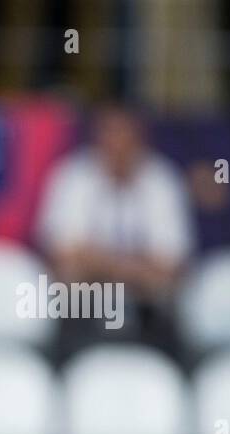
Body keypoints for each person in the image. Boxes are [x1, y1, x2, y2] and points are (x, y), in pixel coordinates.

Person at [35, 102, 195, 356]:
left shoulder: (162, 179)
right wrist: (136, 268)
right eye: (110, 134)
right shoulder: (73, 175)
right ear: (97, 139)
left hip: (149, 313)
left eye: (125, 136)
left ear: (140, 140)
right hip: (82, 308)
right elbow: (63, 258)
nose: (117, 145)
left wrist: (97, 262)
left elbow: (171, 266)